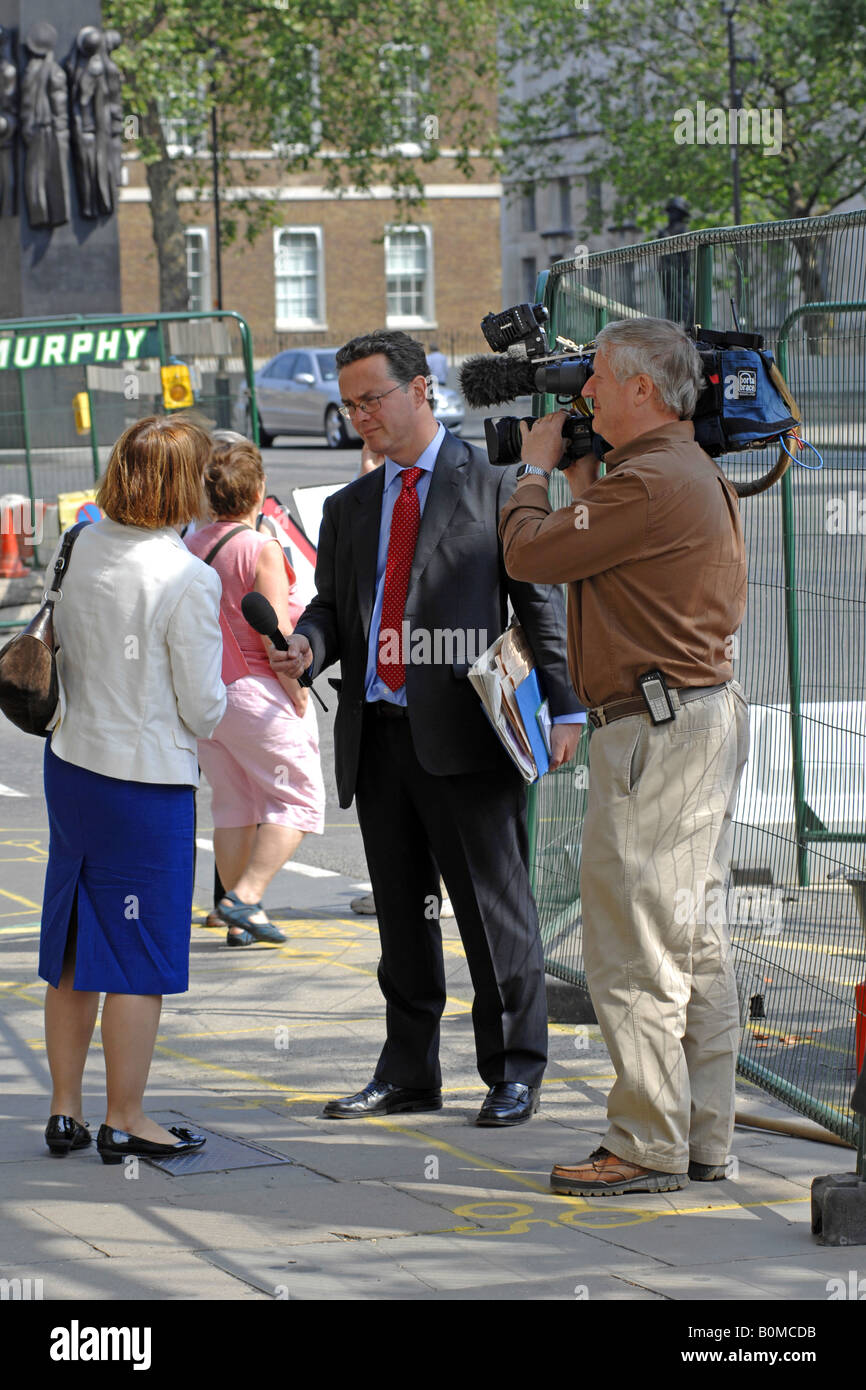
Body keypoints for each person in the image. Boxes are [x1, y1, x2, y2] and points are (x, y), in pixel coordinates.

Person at [270, 328, 583, 1126]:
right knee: (404, 917)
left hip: (469, 735)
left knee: (492, 911)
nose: (359, 415)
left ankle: (513, 1070)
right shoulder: (349, 507)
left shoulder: (497, 485)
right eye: (349, 404)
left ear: (420, 391)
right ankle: (409, 1072)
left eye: (371, 398)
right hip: (379, 737)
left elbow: (538, 605)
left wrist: (566, 705)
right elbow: (335, 607)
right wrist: (310, 644)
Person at [499, 317, 749, 1193]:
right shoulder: (675, 470)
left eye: (598, 379)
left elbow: (529, 552)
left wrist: (534, 471)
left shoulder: (647, 482)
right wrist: (579, 478)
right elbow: (599, 543)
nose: (585, 394)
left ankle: (645, 1144)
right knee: (694, 938)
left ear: (644, 388)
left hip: (656, 731)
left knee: (635, 944)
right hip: (692, 716)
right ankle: (702, 1136)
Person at [39, 416, 226, 1163]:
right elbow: (203, 707)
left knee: (78, 944)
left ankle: (64, 1111)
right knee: (140, 955)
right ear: (184, 484)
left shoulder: (77, 542)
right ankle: (126, 1119)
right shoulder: (189, 576)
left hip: (72, 764)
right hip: (143, 783)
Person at [186, 434, 325, 946]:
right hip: (255, 691)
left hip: (205, 695)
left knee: (234, 804)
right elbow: (276, 639)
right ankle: (245, 897)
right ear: (258, 489)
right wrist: (299, 693)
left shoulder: (190, 544)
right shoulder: (260, 548)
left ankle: (234, 913)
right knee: (300, 797)